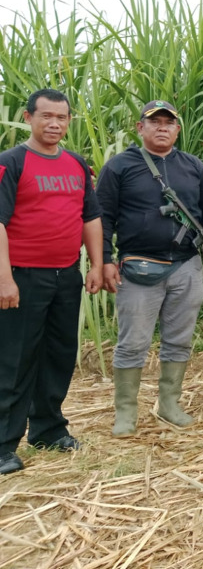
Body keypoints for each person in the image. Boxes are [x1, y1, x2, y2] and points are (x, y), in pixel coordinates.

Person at [98, 100, 203, 436]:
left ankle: (169, 404)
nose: (162, 127)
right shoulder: (119, 167)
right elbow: (103, 218)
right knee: (132, 343)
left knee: (179, 340)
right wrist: (103, 260)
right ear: (139, 128)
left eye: (168, 122)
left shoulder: (192, 166)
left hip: (186, 265)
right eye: (154, 121)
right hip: (137, 269)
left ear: (178, 129)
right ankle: (126, 413)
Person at [0, 89, 102, 475]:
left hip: (65, 276)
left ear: (69, 121)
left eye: (61, 117)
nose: (54, 124)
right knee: (14, 359)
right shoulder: (12, 163)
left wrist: (95, 264)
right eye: (46, 116)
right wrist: (4, 278)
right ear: (28, 118)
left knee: (58, 354)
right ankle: (3, 445)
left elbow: (89, 216)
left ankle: (48, 430)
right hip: (22, 277)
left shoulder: (76, 164)